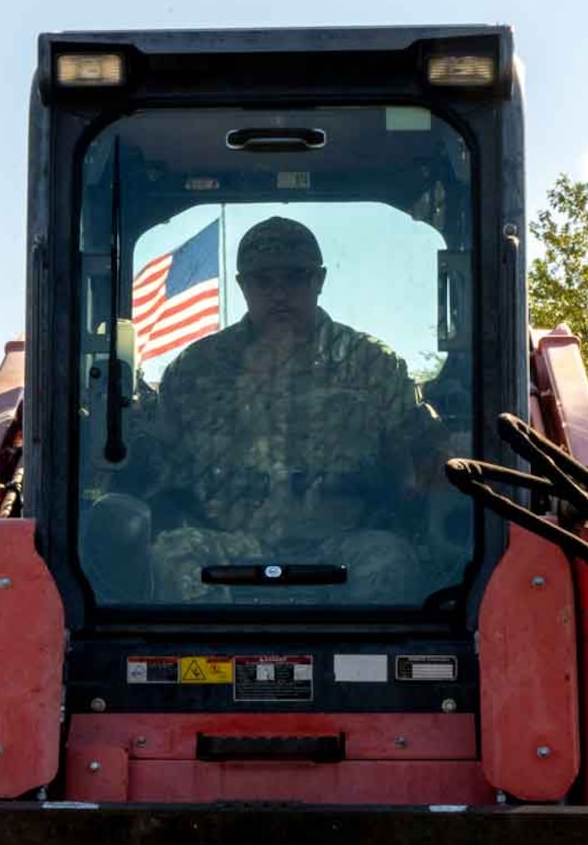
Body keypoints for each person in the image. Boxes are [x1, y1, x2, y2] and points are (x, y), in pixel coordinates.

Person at [128, 216, 440, 602]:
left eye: (295, 278)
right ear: (242, 284)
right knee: (172, 558)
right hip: (228, 544)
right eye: (263, 280)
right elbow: (162, 468)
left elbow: (412, 466)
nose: (279, 293)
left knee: (389, 562)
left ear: (319, 280)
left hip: (342, 543)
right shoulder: (197, 367)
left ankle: (359, 664)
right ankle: (209, 661)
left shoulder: (372, 364)